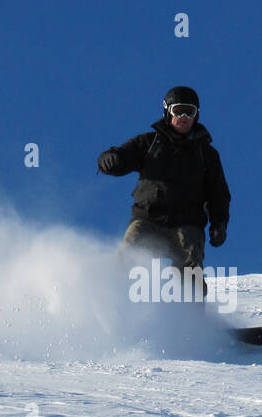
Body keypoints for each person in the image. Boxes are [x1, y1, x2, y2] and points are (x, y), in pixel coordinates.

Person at [97, 86, 231, 279]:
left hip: (187, 224)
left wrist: (219, 224)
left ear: (196, 115)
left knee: (190, 268)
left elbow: (218, 194)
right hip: (148, 218)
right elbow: (121, 157)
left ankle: (190, 306)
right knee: (127, 257)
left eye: (190, 112)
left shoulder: (207, 154)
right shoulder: (150, 143)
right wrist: (108, 160)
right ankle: (116, 301)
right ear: (167, 111)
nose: (184, 116)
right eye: (178, 111)